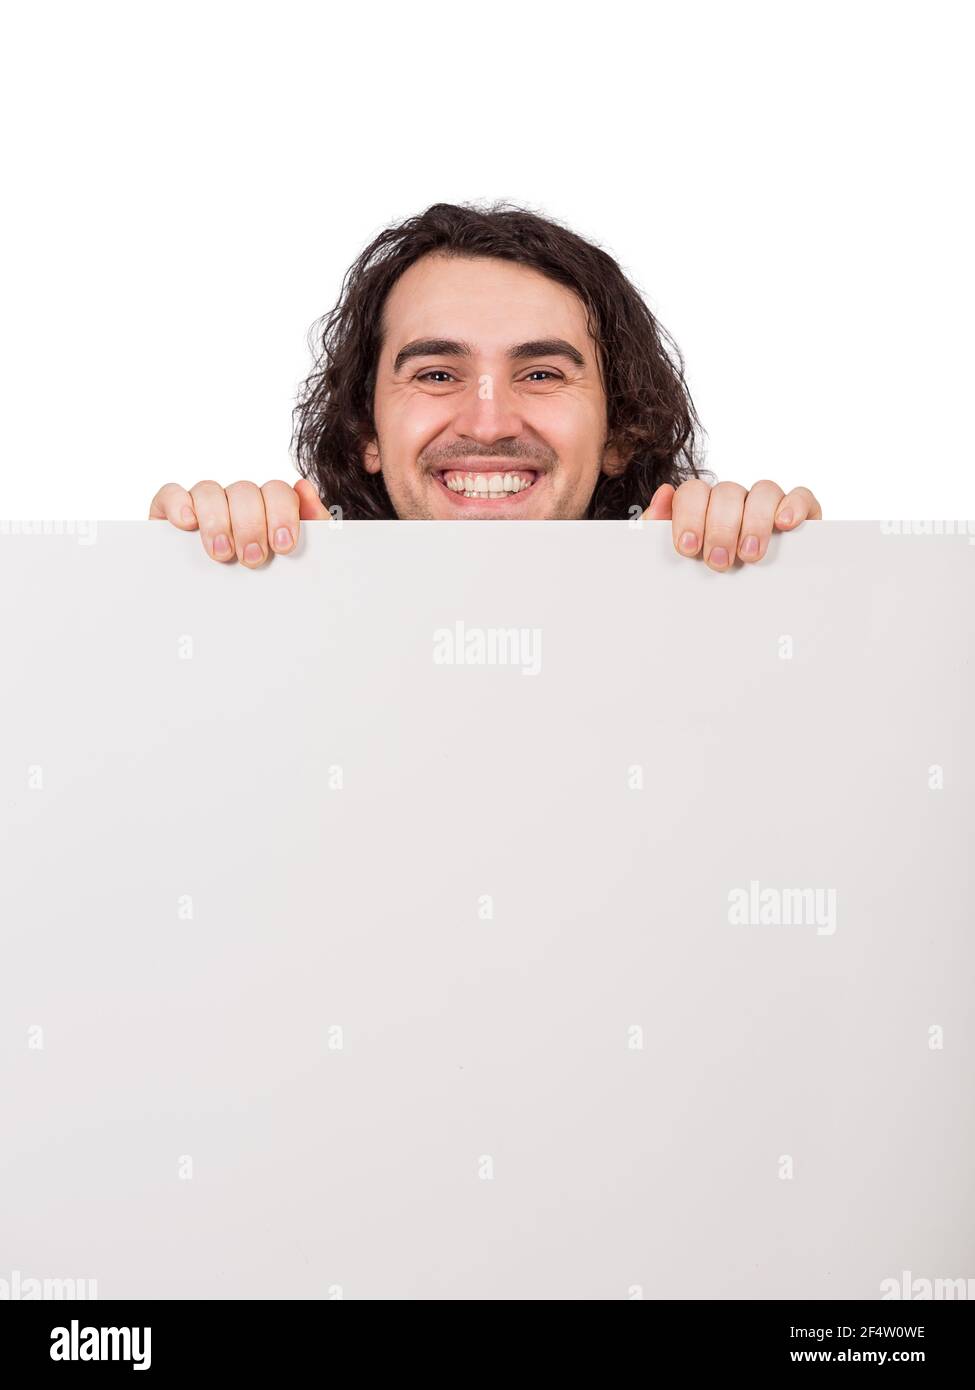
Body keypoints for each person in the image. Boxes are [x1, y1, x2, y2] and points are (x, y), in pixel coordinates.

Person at [150, 202, 821, 569]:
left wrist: (797, 586)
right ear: (365, 429)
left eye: (540, 374)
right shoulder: (255, 617)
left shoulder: (730, 611)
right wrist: (179, 587)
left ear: (621, 430)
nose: (489, 422)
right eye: (438, 374)